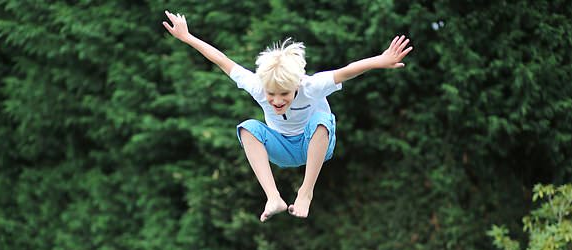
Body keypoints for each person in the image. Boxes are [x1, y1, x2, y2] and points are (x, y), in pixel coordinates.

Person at [162, 10, 412, 222]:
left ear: (296, 87)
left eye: (285, 94)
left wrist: (381, 60)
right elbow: (222, 60)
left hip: (315, 144)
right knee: (247, 127)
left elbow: (346, 72)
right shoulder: (258, 86)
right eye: (272, 94)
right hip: (282, 149)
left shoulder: (310, 86)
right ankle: (273, 197)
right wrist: (187, 37)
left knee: (321, 121)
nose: (277, 101)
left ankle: (306, 191)